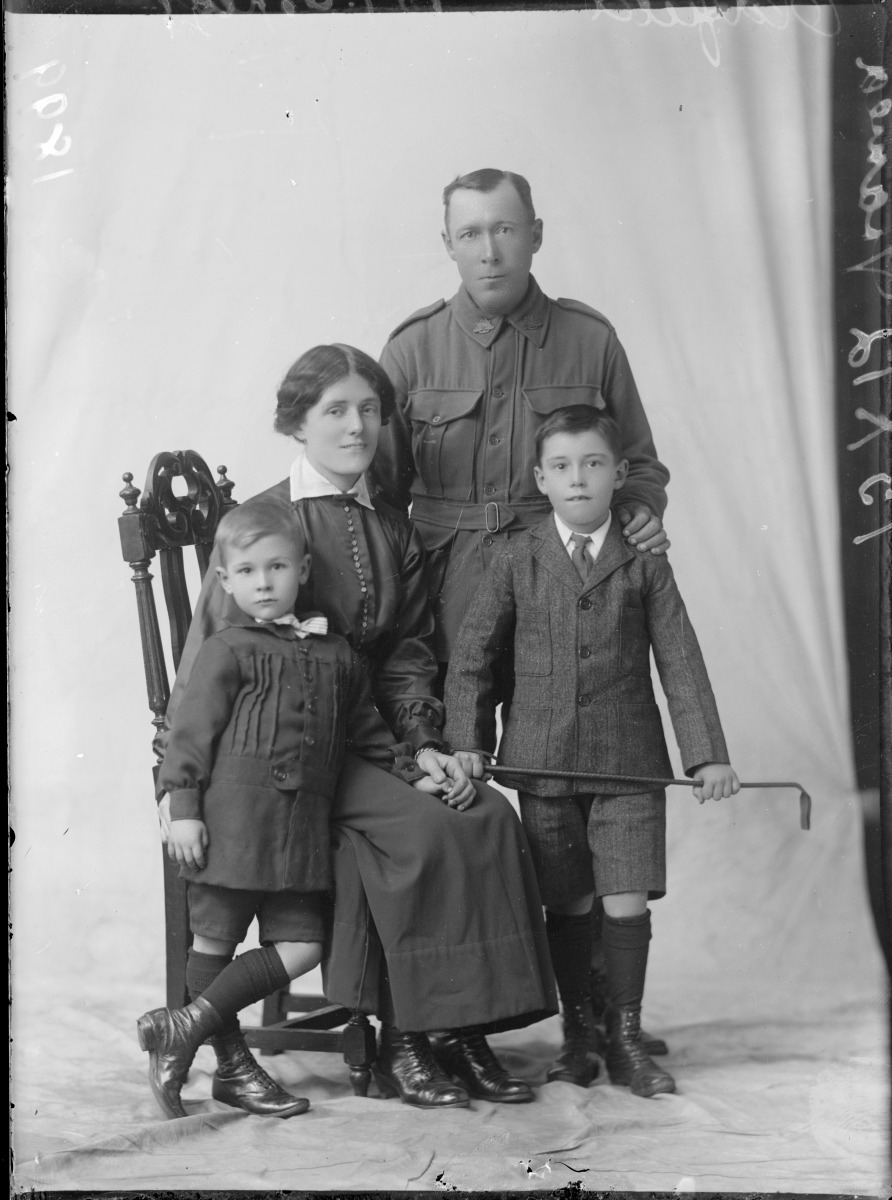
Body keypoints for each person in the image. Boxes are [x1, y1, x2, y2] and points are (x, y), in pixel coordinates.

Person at [155, 343, 557, 1111]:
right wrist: (183, 792)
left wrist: (428, 747)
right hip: (279, 760)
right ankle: (408, 1035)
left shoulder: (391, 526)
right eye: (335, 410)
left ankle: (462, 1026)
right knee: (423, 836)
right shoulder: (264, 525)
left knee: (488, 817)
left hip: (370, 741)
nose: (356, 426)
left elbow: (405, 657)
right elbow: (206, 659)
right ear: (296, 424)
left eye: (369, 409)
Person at [372, 166, 672, 1056]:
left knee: (562, 793)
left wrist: (641, 512)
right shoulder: (414, 350)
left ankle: (595, 1014)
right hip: (444, 598)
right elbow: (377, 499)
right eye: (471, 233)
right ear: (448, 244)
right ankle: (464, 1013)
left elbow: (643, 466)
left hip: (560, 592)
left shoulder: (588, 339)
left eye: (505, 229)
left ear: (537, 233)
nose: (490, 249)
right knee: (457, 791)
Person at [443, 406, 740, 1098]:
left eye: (594, 463)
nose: (579, 479)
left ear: (620, 474)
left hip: (629, 764)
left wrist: (706, 758)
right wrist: (469, 744)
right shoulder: (516, 556)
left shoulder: (646, 564)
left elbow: (682, 663)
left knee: (625, 902)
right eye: (563, 466)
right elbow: (472, 660)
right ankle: (580, 1035)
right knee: (570, 905)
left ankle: (626, 1038)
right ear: (540, 479)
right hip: (544, 765)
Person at [138, 499, 439, 1120]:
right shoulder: (226, 650)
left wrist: (414, 775)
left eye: (277, 567)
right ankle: (233, 1067)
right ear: (225, 581)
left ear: (303, 569)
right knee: (214, 939)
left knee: (303, 945)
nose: (264, 582)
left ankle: (184, 1027)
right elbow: (188, 734)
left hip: (301, 827)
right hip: (232, 825)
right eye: (247, 571)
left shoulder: (335, 654)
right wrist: (186, 806)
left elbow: (370, 735)